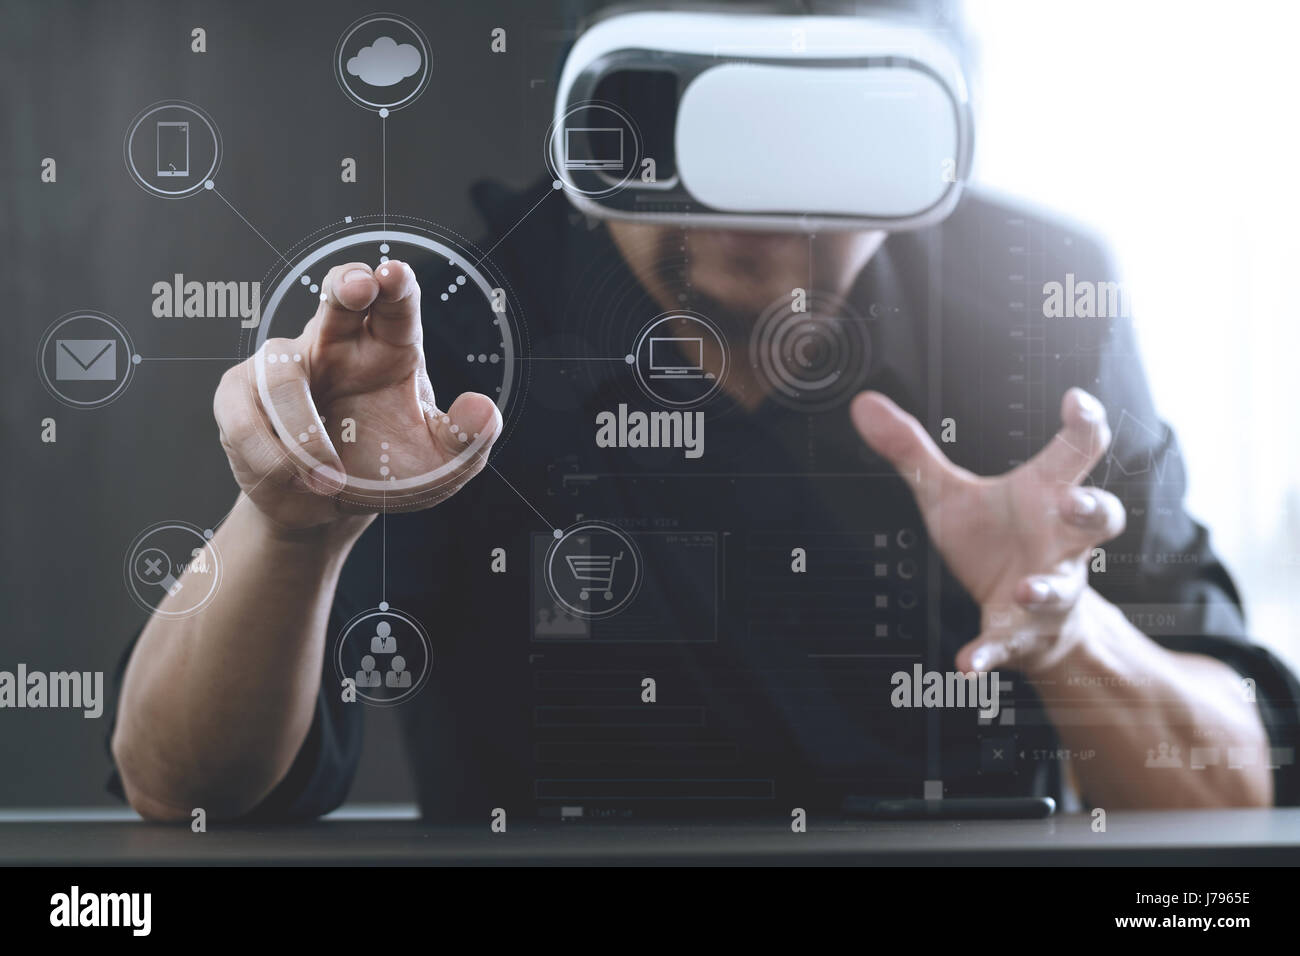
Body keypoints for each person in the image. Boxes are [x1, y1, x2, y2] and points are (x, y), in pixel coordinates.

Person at [106, 4, 1299, 824]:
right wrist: (293, 521)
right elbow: (176, 785)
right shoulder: (462, 328)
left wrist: (1067, 631)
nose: (756, 204)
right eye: (699, 127)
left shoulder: (1033, 306)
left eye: (825, 139)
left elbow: (1243, 788)